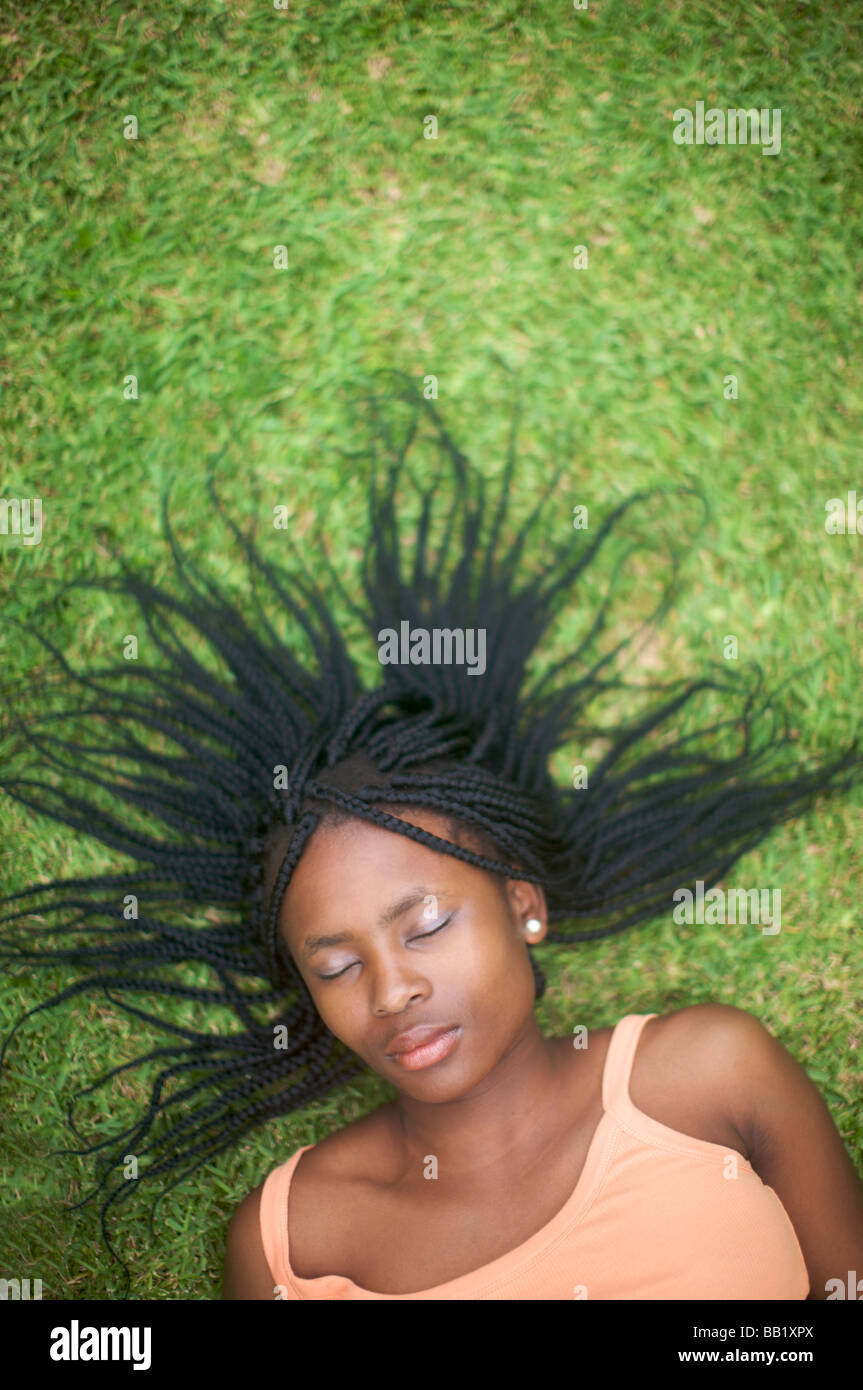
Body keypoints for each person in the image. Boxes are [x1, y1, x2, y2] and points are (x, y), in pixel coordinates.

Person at [2, 373, 862, 1300]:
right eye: (334, 967)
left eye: (423, 925)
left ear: (522, 904)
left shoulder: (707, 1076)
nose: (392, 987)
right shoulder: (292, 1240)